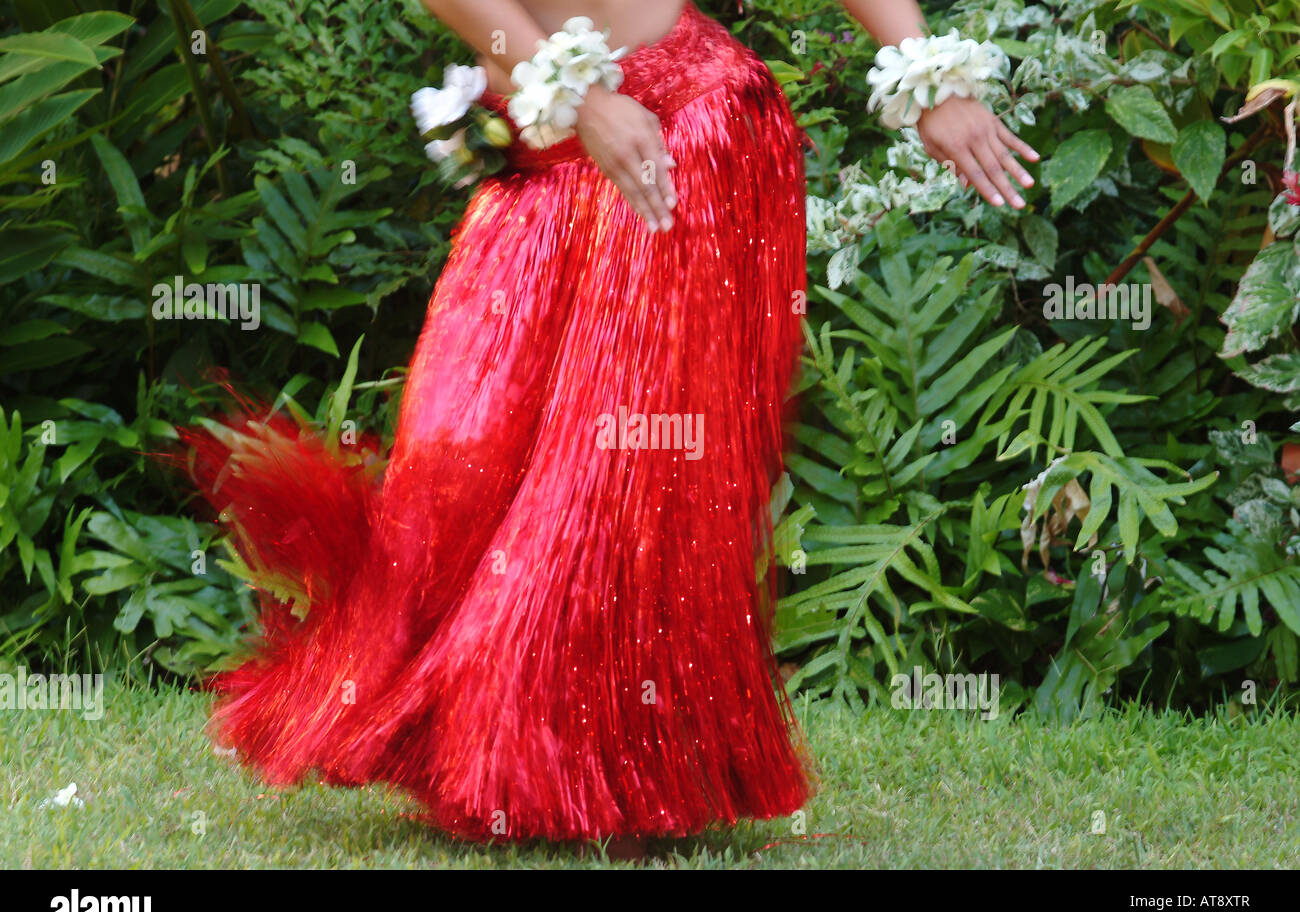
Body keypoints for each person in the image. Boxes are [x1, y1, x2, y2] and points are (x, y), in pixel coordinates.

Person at [179, 0, 1038, 858]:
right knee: (466, 457)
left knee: (615, 477)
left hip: (688, 138)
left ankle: (611, 771)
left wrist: (926, 75)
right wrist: (583, 99)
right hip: (549, 151)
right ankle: (501, 754)